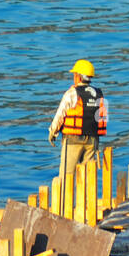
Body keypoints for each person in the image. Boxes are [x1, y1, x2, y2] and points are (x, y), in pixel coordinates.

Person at [48, 59, 108, 215]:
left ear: (78, 77)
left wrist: (52, 132)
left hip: (73, 140)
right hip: (93, 141)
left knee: (67, 177)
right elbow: (102, 117)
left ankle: (63, 211)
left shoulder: (72, 93)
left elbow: (60, 114)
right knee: (89, 176)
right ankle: (88, 210)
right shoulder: (99, 93)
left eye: (74, 74)